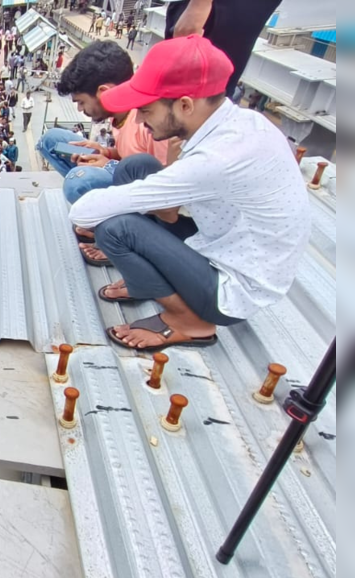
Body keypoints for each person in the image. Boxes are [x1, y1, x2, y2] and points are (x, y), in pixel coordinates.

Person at [69, 35, 309, 351]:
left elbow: (82, 212)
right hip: (222, 242)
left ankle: (190, 321)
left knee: (115, 228)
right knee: (136, 166)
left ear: (185, 105)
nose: (139, 119)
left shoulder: (219, 157)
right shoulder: (242, 122)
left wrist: (104, 215)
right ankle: (146, 280)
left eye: (146, 110)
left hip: (233, 289)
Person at [38, 41, 170, 208]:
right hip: (123, 172)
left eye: (81, 102)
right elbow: (129, 153)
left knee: (77, 182)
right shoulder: (120, 116)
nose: (80, 109)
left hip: (144, 195)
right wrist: (105, 152)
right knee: (50, 140)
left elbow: (165, 187)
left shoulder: (150, 123)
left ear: (104, 92)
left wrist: (109, 166)